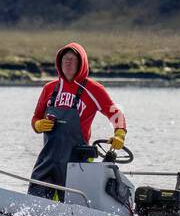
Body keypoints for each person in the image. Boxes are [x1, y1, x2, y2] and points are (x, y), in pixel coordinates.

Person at [28, 42, 127, 199]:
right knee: (33, 202)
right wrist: (38, 125)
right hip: (47, 159)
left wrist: (120, 133)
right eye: (65, 59)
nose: (68, 62)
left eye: (73, 59)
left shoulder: (94, 89)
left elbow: (116, 114)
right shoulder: (49, 88)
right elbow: (35, 118)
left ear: (81, 63)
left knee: (70, 202)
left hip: (76, 161)